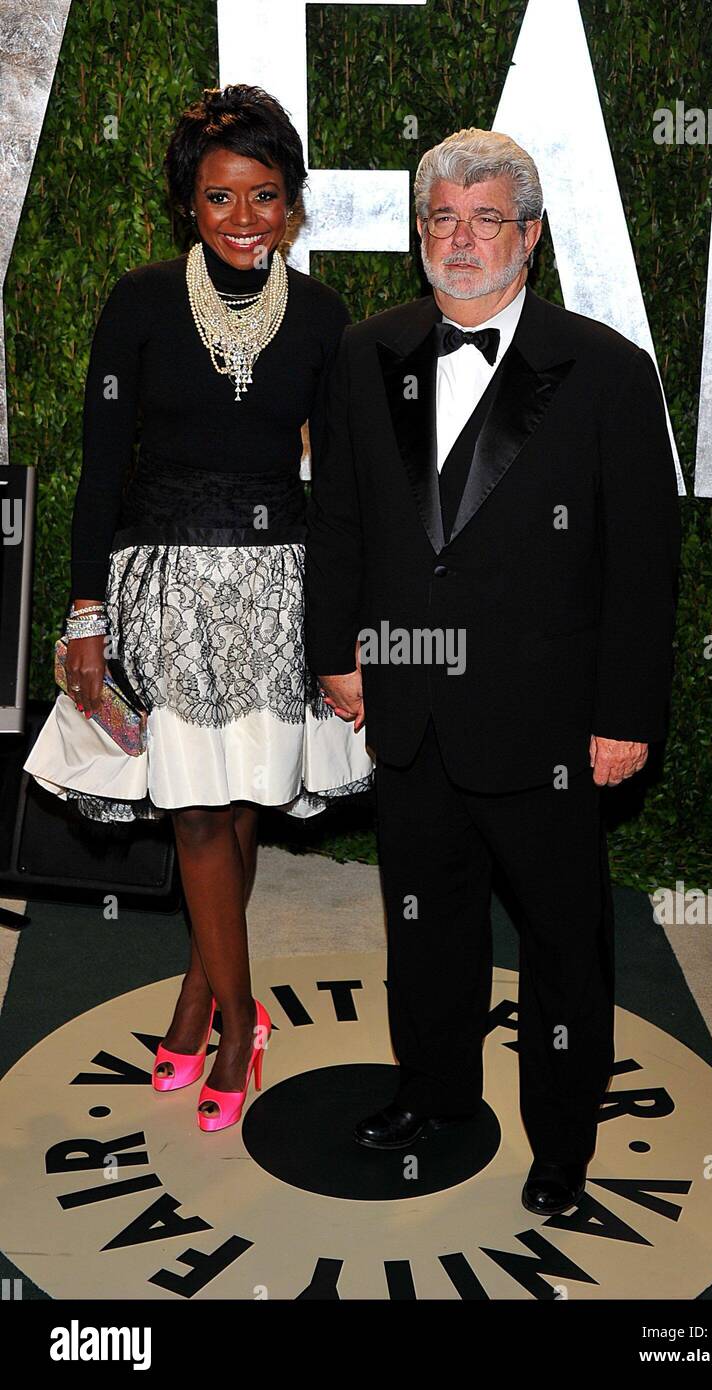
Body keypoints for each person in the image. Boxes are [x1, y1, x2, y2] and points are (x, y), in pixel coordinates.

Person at [304, 128, 680, 1214]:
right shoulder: (365, 350)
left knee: (562, 942)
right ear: (418, 233)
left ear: (530, 235)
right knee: (423, 918)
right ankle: (432, 1089)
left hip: (548, 727)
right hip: (408, 705)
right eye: (441, 219)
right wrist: (335, 651)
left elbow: (641, 566)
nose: (460, 241)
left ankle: (561, 1141)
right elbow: (340, 520)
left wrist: (623, 715)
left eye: (484, 219)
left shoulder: (606, 370)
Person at [24, 84, 373, 1133]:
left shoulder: (318, 320)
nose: (242, 219)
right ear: (189, 202)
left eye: (264, 196)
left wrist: (344, 615)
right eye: (219, 198)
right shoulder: (136, 302)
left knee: (237, 798)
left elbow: (342, 486)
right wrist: (86, 614)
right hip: (160, 590)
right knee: (192, 809)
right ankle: (236, 1018)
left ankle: (198, 1005)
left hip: (272, 585)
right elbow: (98, 473)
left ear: (292, 202)